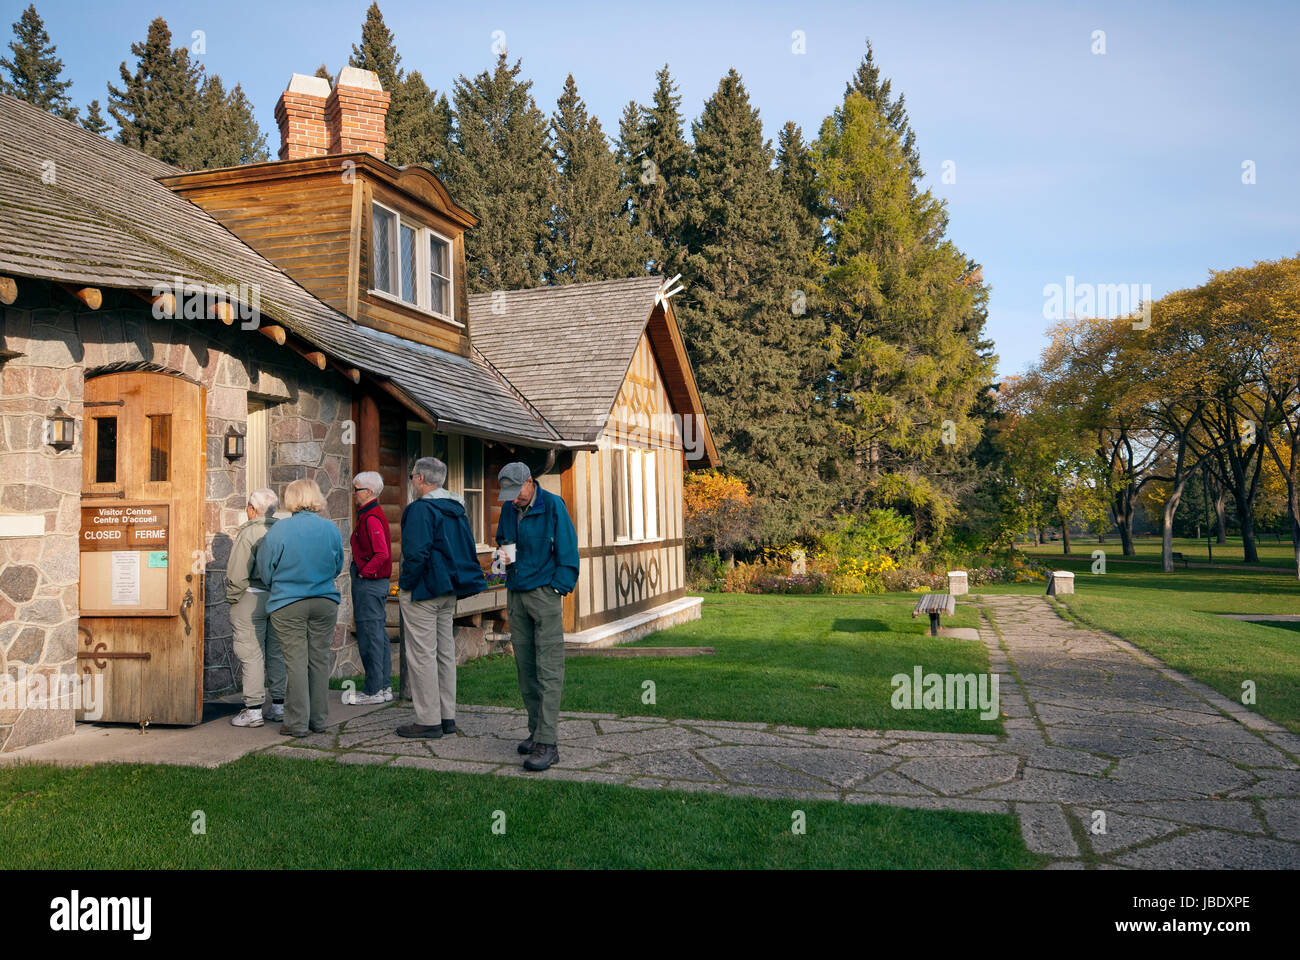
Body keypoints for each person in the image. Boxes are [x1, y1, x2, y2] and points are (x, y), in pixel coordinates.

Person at [495, 461, 578, 771]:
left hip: (544, 594)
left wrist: (557, 588)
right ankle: (536, 732)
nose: (514, 499)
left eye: (517, 492)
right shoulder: (508, 509)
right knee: (526, 669)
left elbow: (568, 552)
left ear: (530, 482)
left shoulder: (554, 506)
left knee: (548, 669)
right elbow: (504, 544)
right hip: (516, 594)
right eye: (509, 495)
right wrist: (500, 566)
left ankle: (548, 744)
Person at [396, 457, 486, 738]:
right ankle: (447, 717)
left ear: (421, 479)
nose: (412, 481)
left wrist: (405, 585)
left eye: (412, 476)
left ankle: (428, 720)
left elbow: (416, 553)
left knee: (422, 655)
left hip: (423, 590)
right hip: (449, 590)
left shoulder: (419, 509)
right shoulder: (457, 508)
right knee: (445, 653)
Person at [255, 477, 344, 738]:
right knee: (319, 660)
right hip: (324, 600)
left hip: (288, 601)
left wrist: (278, 584)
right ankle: (318, 719)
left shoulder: (280, 530)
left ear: (291, 499)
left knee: (295, 662)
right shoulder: (331, 529)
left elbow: (265, 569)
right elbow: (337, 565)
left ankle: (296, 723)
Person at [226, 488, 285, 727]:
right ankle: (279, 705)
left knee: (251, 654)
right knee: (277, 652)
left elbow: (237, 573)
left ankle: (253, 711)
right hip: (279, 597)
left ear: (252, 509)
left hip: (251, 596)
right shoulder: (282, 531)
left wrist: (232, 597)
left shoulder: (249, 532)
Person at [349, 471, 393, 705]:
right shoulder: (369, 515)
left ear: (369, 492)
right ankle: (383, 687)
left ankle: (374, 690)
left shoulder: (371, 517)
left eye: (356, 490)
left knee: (370, 636)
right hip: (375, 583)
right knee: (377, 635)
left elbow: (382, 553)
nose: (354, 494)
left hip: (370, 584)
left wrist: (365, 572)